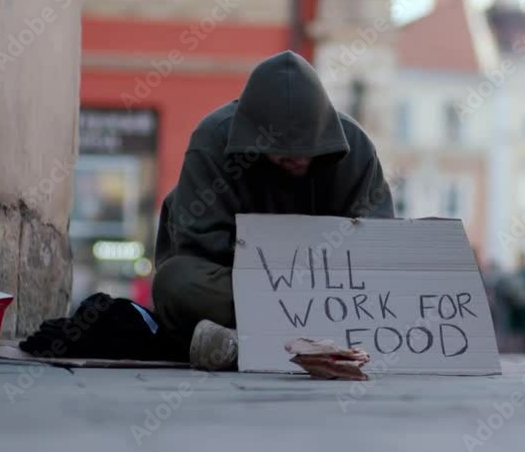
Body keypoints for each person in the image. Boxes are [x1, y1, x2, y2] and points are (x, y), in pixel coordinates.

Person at [152, 51, 394, 370]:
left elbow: (379, 244)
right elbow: (196, 247)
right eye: (280, 152)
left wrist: (315, 286)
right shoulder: (211, 141)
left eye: (305, 151)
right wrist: (276, 277)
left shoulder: (356, 147)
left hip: (331, 295)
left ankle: (253, 344)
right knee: (175, 282)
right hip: (243, 288)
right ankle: (289, 341)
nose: (294, 159)